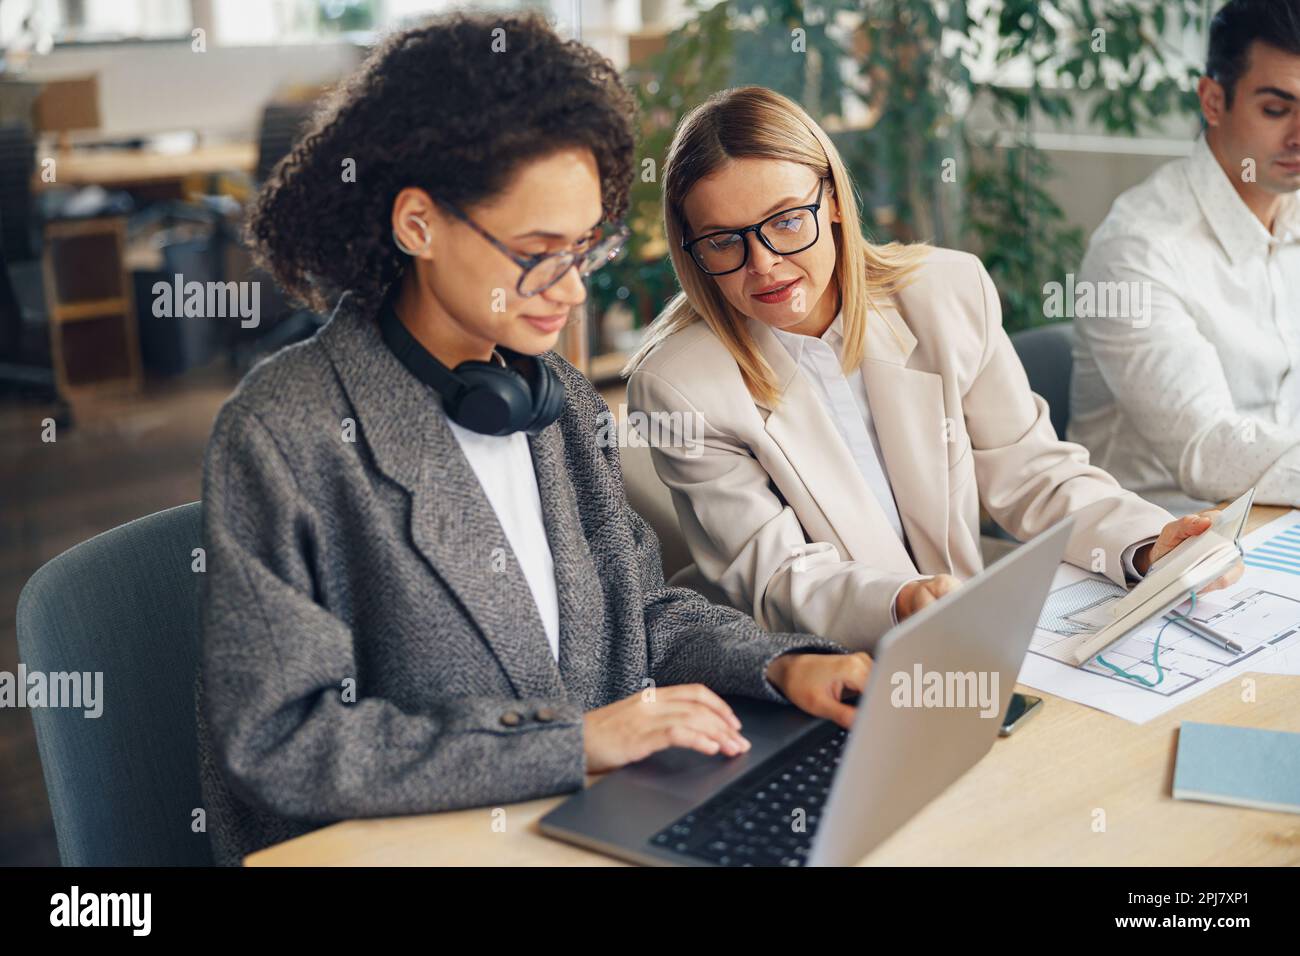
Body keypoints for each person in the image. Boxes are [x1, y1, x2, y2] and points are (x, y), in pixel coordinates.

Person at [195, 12, 864, 867]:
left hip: (589, 828)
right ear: (418, 224)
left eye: (585, 248)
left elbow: (639, 614)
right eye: (539, 251)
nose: (573, 290)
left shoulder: (551, 401)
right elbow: (285, 740)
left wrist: (781, 668)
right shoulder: (284, 436)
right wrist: (566, 741)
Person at [624, 85, 1241, 651]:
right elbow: (779, 578)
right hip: (821, 665)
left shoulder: (946, 292)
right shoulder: (682, 385)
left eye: (787, 221)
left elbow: (1031, 475)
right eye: (724, 240)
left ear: (834, 201)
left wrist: (1146, 543)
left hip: (968, 637)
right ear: (690, 247)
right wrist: (900, 602)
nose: (763, 264)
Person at [1070, 0, 1300, 514]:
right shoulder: (1137, 249)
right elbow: (1207, 448)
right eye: (1276, 109)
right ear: (1213, 100)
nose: (1298, 136)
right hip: (1155, 548)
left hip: (1277, 519)